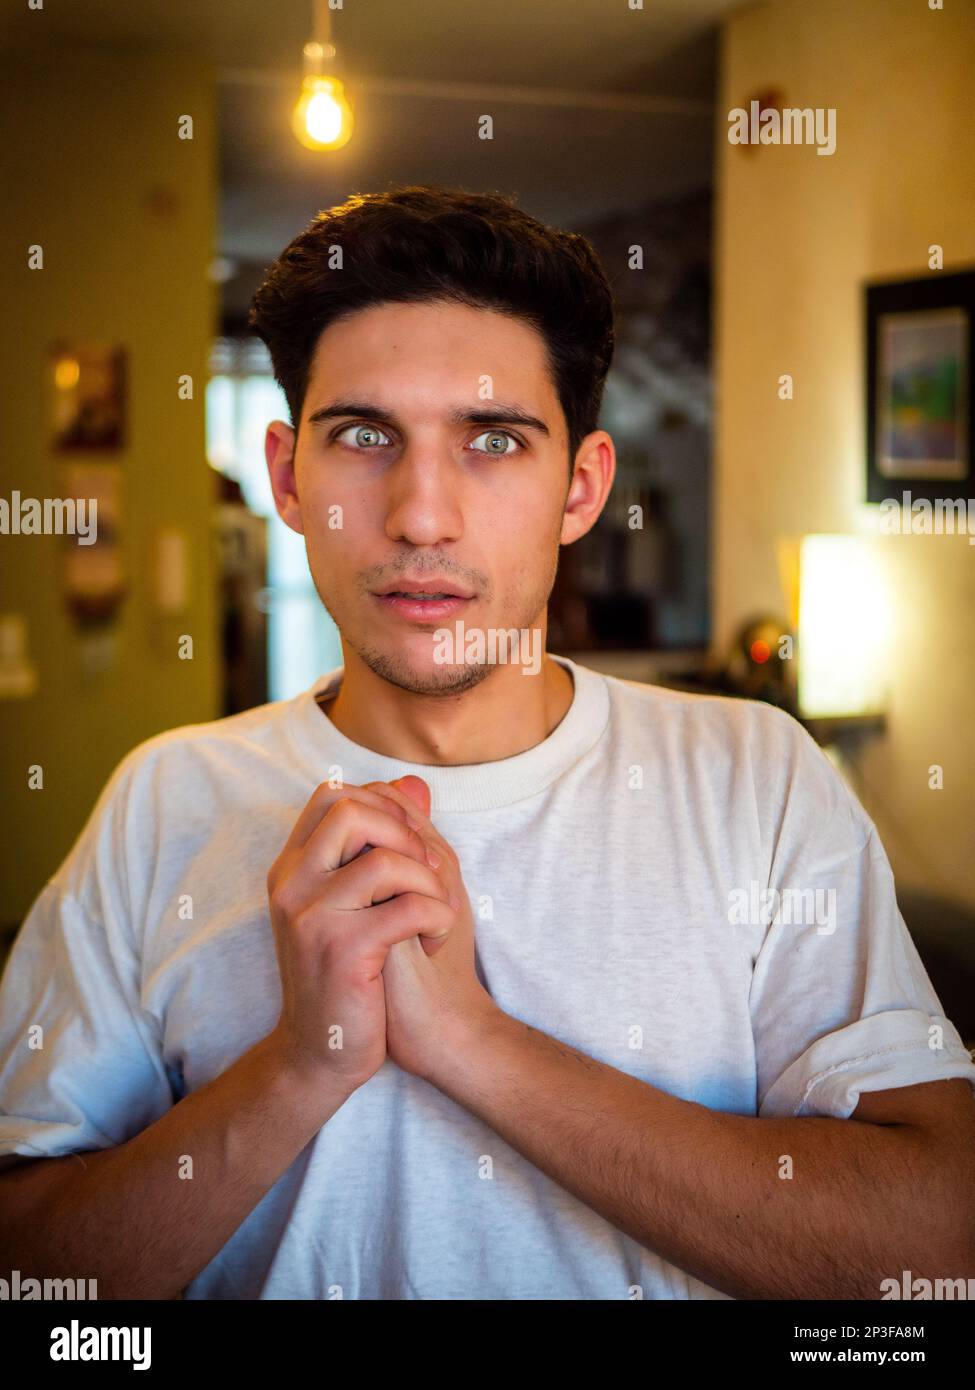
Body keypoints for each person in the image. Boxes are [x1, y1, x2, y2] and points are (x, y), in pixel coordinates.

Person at [1, 186, 973, 1301]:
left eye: (495, 441)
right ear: (286, 478)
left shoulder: (756, 779)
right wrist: (298, 1067)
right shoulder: (164, 800)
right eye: (364, 437)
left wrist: (472, 1041)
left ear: (581, 487)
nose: (422, 514)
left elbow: (931, 1249)